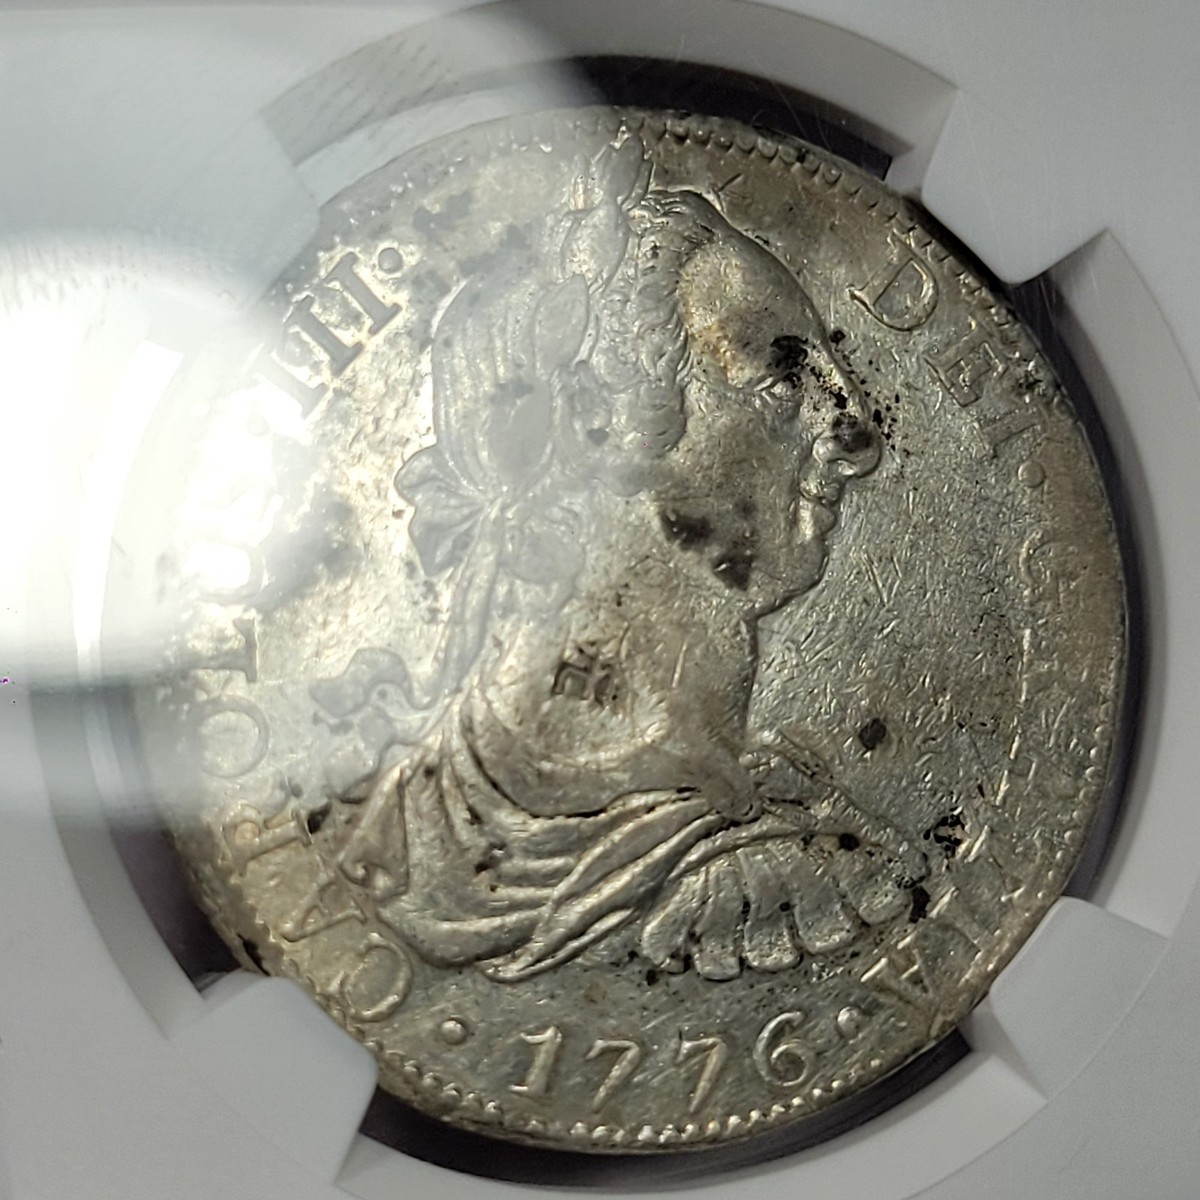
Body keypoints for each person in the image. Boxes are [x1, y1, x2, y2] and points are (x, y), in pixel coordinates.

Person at [312, 134, 926, 982]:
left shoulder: (816, 865)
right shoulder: (384, 823)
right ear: (607, 424)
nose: (855, 433)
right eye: (783, 378)